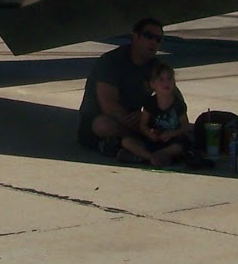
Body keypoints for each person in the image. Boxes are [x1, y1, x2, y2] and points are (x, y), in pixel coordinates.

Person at [75, 17, 162, 156]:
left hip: (135, 121)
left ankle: (129, 147)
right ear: (135, 36)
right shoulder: (111, 62)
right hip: (100, 120)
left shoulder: (156, 66)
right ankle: (132, 145)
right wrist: (145, 129)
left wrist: (148, 115)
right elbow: (109, 106)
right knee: (103, 125)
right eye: (149, 36)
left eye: (158, 39)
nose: (154, 42)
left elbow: (171, 97)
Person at [118, 61, 203, 167]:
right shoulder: (150, 103)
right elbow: (143, 125)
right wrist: (150, 133)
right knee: (127, 141)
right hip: (153, 140)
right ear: (152, 84)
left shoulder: (178, 105)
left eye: (169, 79)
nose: (166, 83)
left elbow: (185, 127)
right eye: (161, 79)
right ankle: (152, 157)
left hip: (172, 140)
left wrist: (171, 134)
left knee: (180, 146)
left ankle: (152, 156)